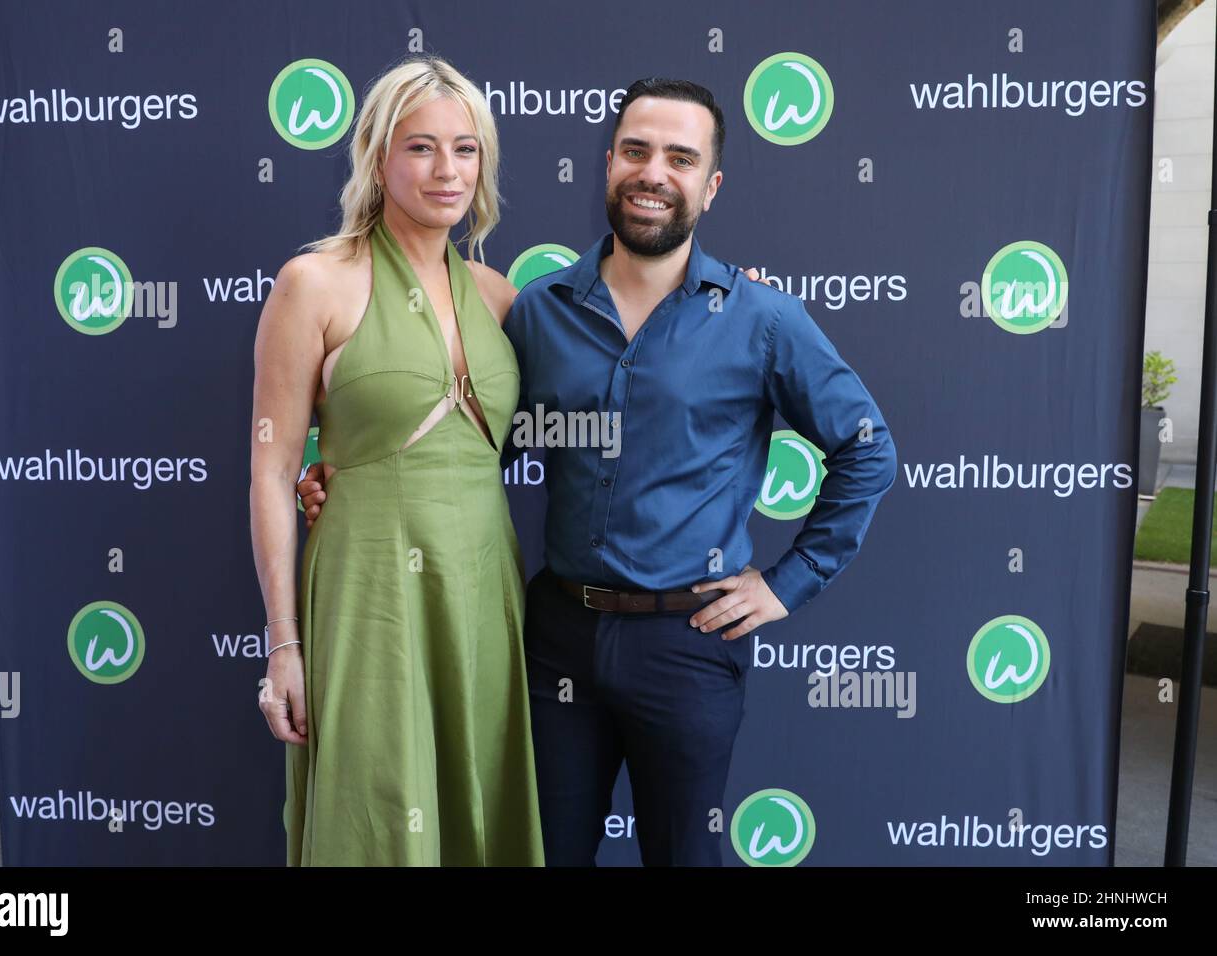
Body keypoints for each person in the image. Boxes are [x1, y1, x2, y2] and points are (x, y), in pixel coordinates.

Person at [301, 76, 896, 866]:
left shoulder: (763, 320)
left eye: (680, 158)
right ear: (608, 163)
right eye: (637, 151)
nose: (655, 172)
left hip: (688, 645)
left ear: (709, 187)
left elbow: (866, 448)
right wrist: (345, 478)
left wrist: (786, 584)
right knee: (540, 852)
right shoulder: (536, 309)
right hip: (555, 643)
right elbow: (477, 448)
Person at [249, 55, 543, 866]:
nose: (446, 170)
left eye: (466, 148)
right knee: (377, 803)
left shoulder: (500, 296)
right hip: (367, 588)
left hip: (485, 590)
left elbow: (623, 377)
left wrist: (727, 308)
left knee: (476, 798)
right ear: (378, 157)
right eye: (420, 147)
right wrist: (283, 646)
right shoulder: (314, 283)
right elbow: (274, 472)